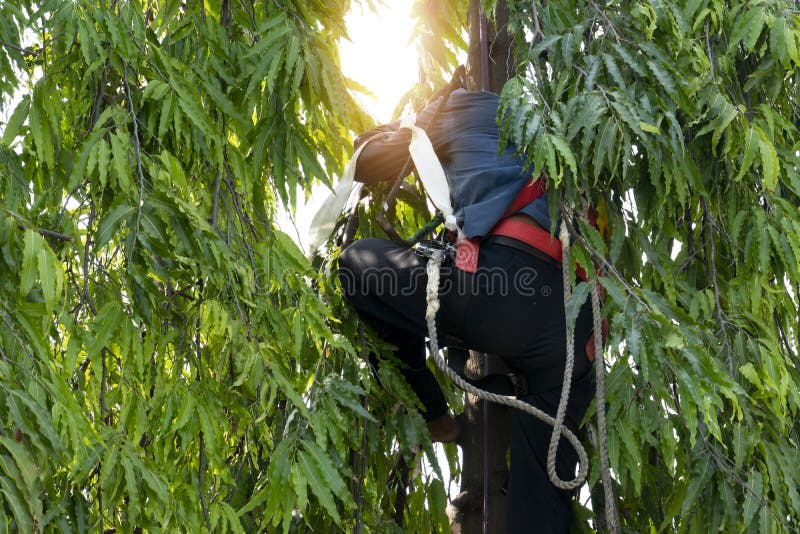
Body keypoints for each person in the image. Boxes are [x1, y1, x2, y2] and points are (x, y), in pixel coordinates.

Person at [337, 86, 597, 533]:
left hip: (509, 289)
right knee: (541, 505)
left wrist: (409, 122)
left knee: (358, 265)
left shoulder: (455, 106)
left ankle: (436, 415)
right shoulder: (553, 145)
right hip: (578, 333)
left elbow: (365, 161)